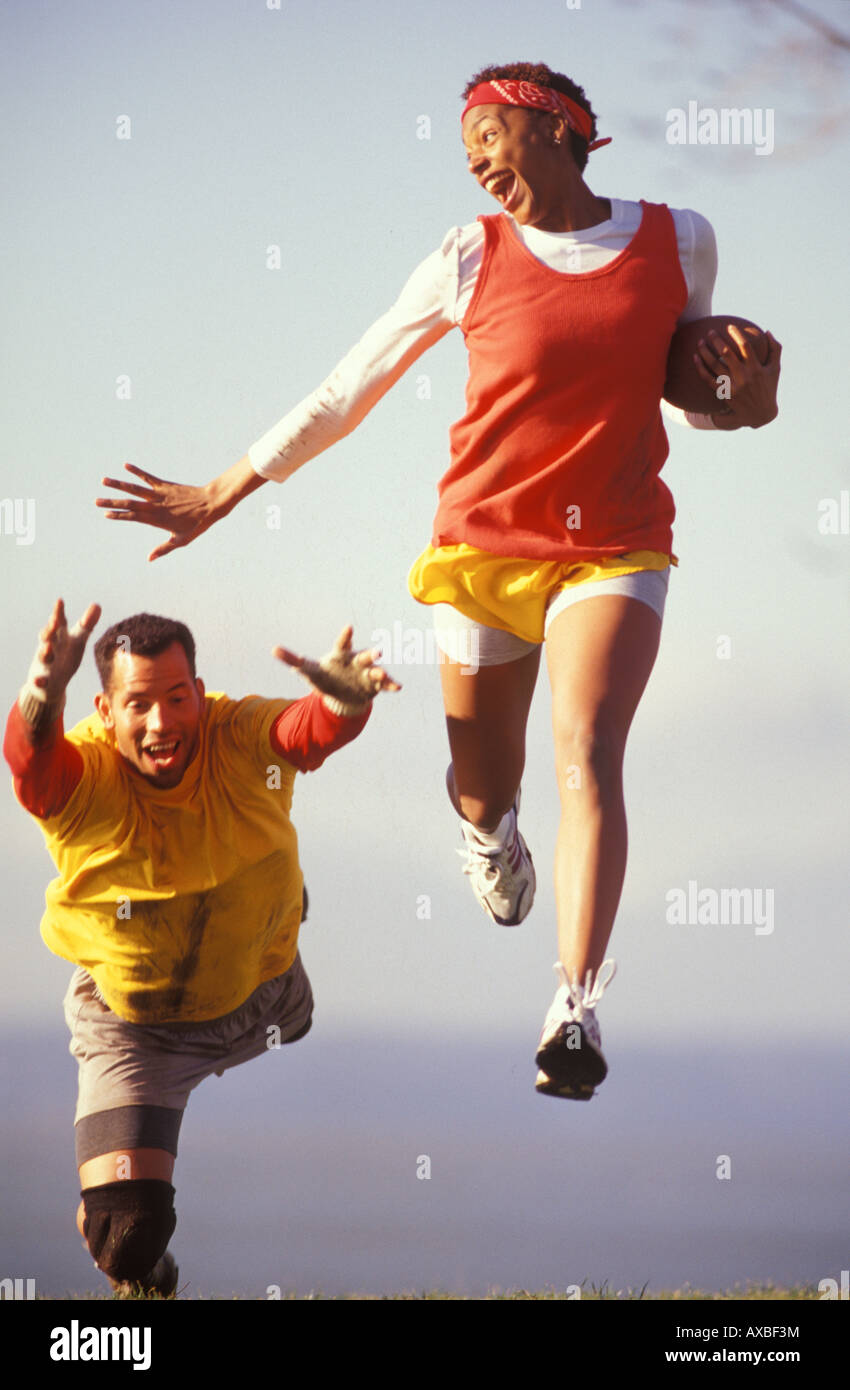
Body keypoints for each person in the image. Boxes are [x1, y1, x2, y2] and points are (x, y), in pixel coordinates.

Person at [95, 61, 781, 1102]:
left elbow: (689, 389)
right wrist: (228, 486)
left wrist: (738, 398)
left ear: (552, 127)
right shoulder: (469, 253)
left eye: (488, 135)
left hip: (616, 546)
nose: (473, 160)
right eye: (464, 150)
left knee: (589, 749)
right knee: (484, 781)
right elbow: (349, 386)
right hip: (483, 545)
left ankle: (575, 1005)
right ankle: (486, 833)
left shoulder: (679, 239)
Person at [4, 597, 399, 1296]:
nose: (163, 723)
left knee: (276, 957)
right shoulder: (85, 777)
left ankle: (277, 914)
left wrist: (342, 704)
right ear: (103, 709)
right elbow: (32, 770)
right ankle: (146, 1268)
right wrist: (43, 693)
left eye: (179, 698)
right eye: (140, 705)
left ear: (199, 691)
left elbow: (303, 733)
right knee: (123, 1237)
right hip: (135, 1031)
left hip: (263, 994)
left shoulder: (236, 731)